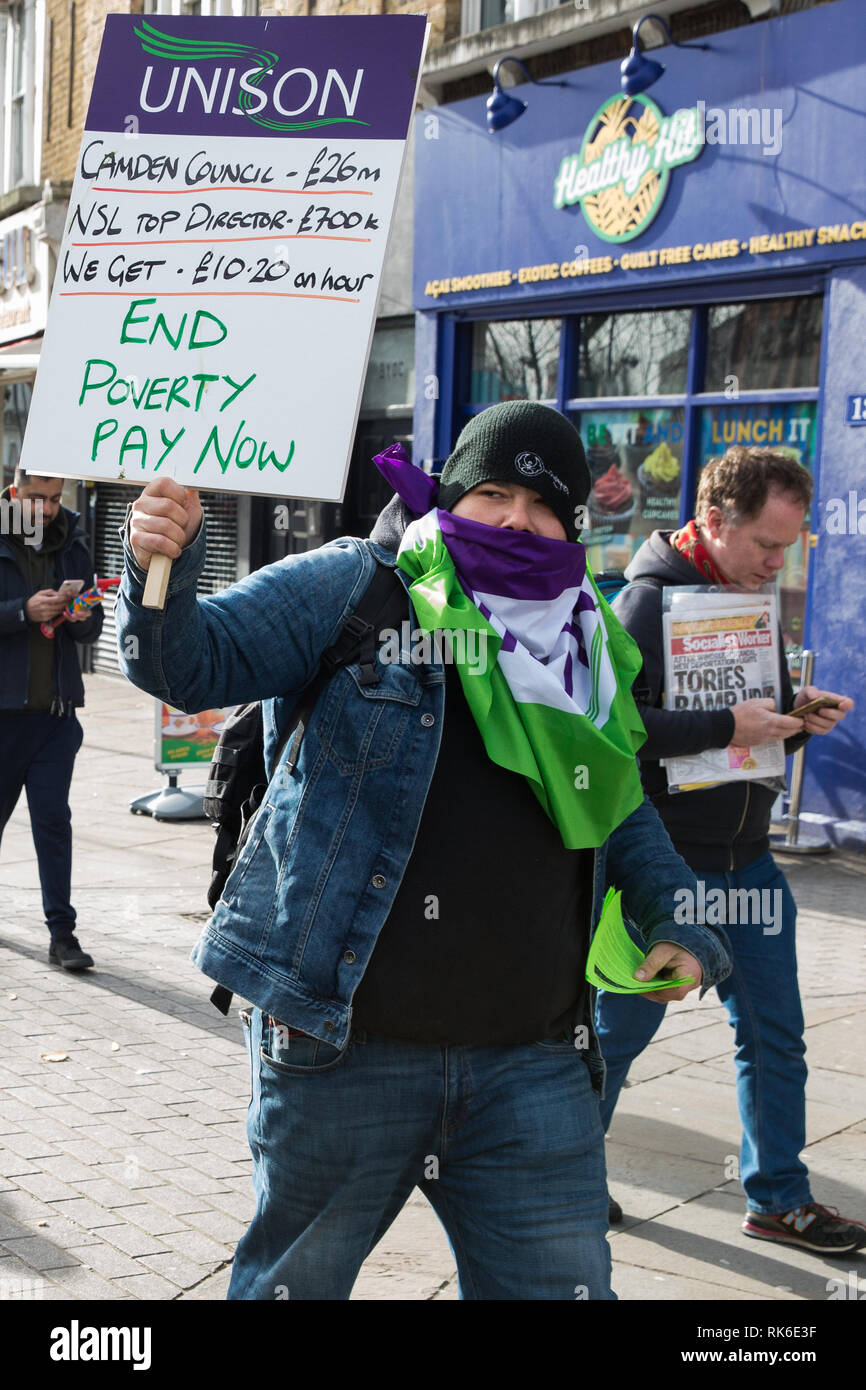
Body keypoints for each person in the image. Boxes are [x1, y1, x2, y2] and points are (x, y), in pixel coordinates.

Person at [116, 401, 730, 1301]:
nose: (517, 519)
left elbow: (620, 804)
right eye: (492, 492)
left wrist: (679, 916)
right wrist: (150, 566)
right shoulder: (356, 587)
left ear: (571, 526)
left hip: (535, 1062)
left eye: (544, 503)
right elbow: (187, 666)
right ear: (448, 496)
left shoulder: (585, 640)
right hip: (343, 1051)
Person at [595, 445, 864, 1255]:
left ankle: (779, 1199)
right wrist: (727, 726)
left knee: (776, 1035)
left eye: (789, 548)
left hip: (748, 861)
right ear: (712, 522)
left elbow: (746, 714)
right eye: (766, 547)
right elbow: (614, 733)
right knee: (614, 1038)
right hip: (667, 872)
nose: (777, 564)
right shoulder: (644, 605)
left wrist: (794, 712)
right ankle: (559, 1175)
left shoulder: (739, 596)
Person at [0, 467, 103, 969]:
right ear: (14, 492)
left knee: (53, 824)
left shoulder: (73, 541)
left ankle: (63, 936)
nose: (45, 510)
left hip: (57, 718)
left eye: (53, 499)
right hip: (2, 717)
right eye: (36, 498)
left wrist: (82, 616)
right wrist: (23, 611)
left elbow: (91, 629)